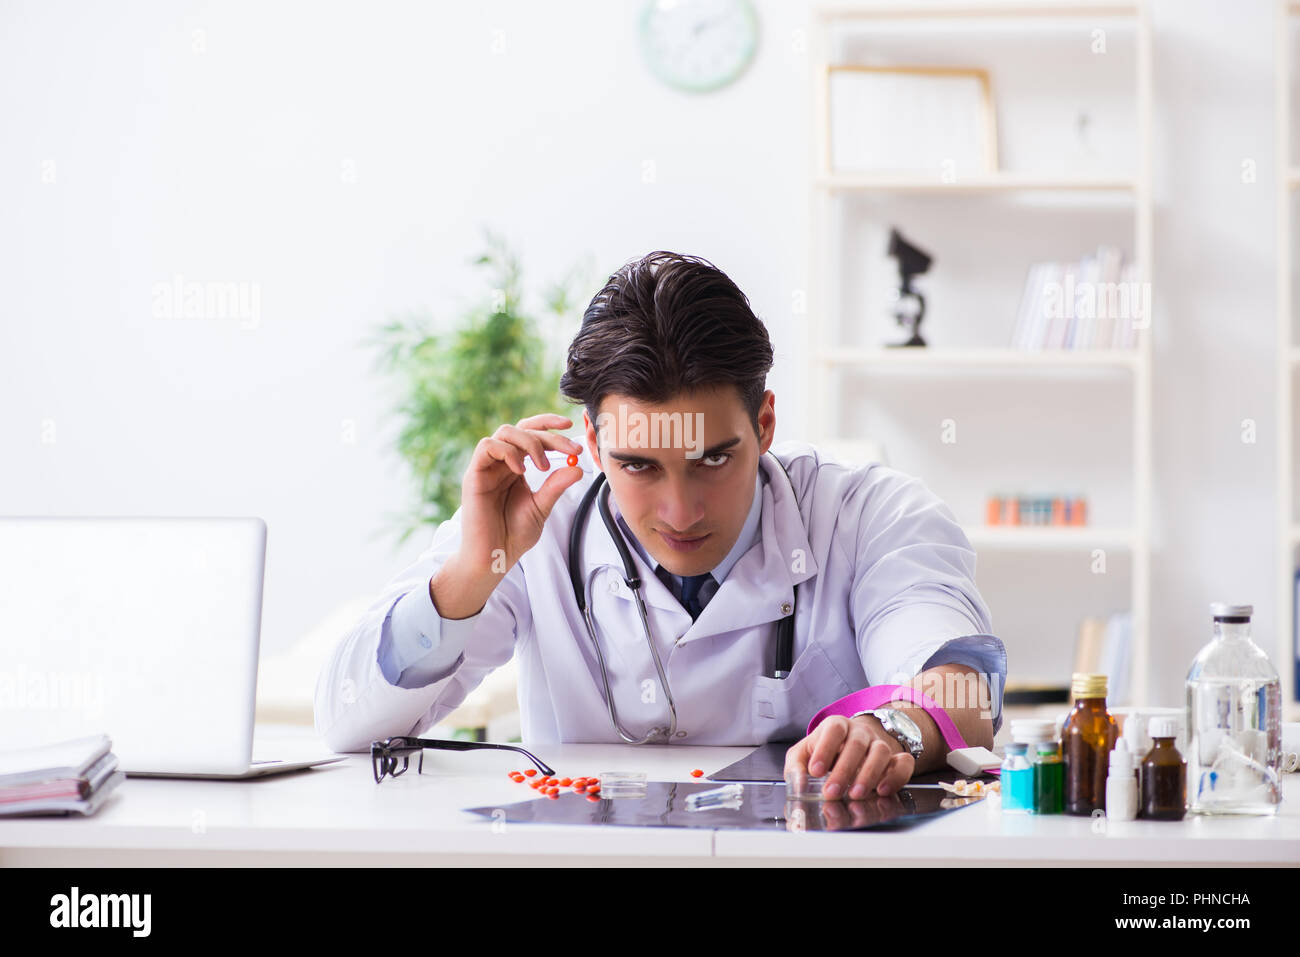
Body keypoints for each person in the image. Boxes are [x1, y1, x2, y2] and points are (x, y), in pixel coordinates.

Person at [315, 251, 1006, 800]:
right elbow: (345, 723)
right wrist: (471, 574)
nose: (680, 511)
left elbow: (964, 685)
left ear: (764, 422)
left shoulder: (869, 516)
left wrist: (895, 727)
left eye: (712, 458)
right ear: (590, 438)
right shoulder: (533, 530)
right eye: (639, 464)